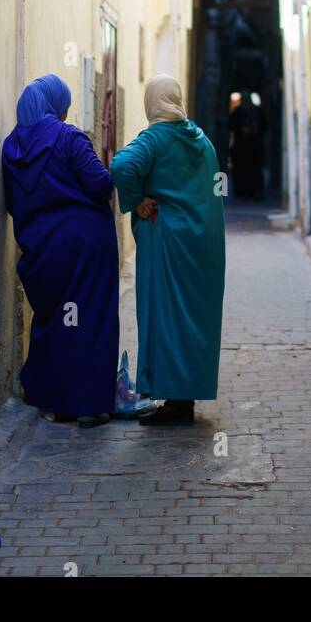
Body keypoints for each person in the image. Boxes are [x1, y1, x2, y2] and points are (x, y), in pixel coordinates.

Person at [2, 73, 118, 428]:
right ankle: (89, 404)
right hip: (85, 246)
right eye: (63, 108)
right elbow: (99, 185)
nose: (65, 115)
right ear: (55, 106)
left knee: (55, 319)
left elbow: (10, 203)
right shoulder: (69, 137)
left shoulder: (10, 147)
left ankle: (53, 401)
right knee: (90, 321)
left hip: (40, 248)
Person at [110, 74, 225, 427]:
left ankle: (174, 400)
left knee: (164, 315)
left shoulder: (155, 139)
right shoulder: (201, 140)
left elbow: (120, 166)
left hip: (168, 242)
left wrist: (136, 201)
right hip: (202, 244)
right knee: (192, 318)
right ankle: (183, 397)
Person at [228, 89, 267, 198]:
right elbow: (231, 125)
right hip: (241, 146)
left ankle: (256, 192)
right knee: (241, 170)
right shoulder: (237, 111)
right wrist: (241, 129)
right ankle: (242, 192)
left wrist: (256, 130)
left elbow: (264, 126)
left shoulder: (257, 111)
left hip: (254, 146)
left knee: (255, 170)